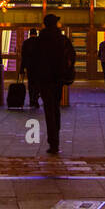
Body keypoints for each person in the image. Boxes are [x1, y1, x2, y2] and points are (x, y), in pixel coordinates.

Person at [27, 13, 75, 155]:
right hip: (58, 79)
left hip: (44, 80)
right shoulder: (62, 40)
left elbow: (32, 61)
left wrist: (35, 79)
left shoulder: (39, 41)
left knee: (49, 109)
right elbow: (72, 56)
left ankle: (53, 141)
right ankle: (56, 138)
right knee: (55, 108)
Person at [20, 29, 41, 109]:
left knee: (30, 83)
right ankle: (35, 98)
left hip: (29, 67)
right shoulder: (40, 42)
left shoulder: (26, 43)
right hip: (38, 67)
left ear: (30, 34)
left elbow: (23, 57)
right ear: (36, 34)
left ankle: (31, 100)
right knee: (38, 83)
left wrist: (22, 69)